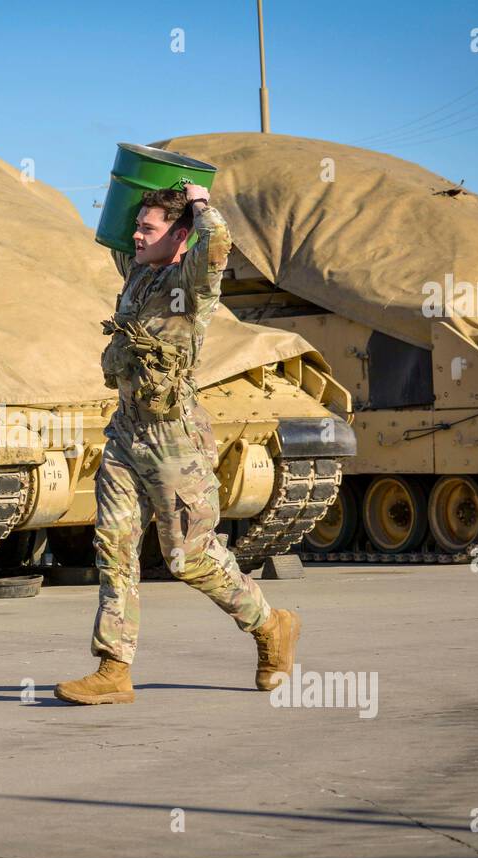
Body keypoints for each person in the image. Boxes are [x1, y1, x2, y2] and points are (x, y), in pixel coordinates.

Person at [54, 183, 300, 705]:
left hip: (174, 442)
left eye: (150, 229)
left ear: (180, 236)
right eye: (138, 226)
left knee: (188, 558)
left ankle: (269, 624)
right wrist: (135, 188)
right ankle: (113, 669)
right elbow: (115, 232)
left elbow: (217, 246)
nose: (137, 236)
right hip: (125, 433)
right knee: (114, 547)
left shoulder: (195, 279)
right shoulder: (139, 270)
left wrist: (202, 203)